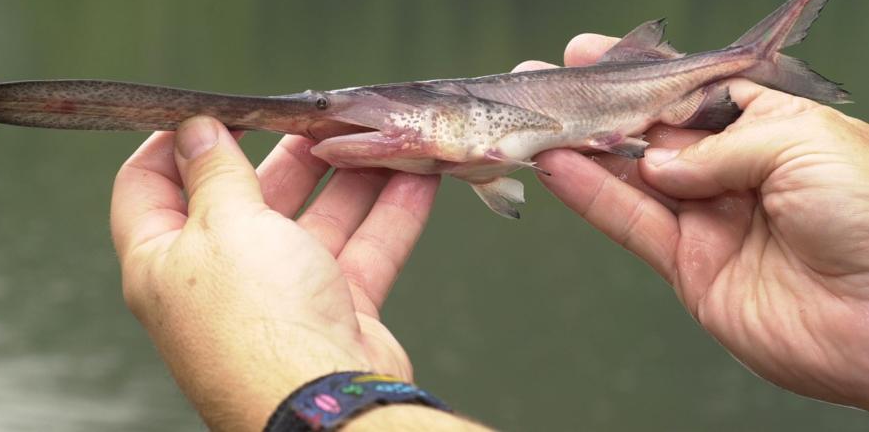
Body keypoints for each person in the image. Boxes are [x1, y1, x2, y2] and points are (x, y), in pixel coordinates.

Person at [110, 33, 869, 431]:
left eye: (353, 106)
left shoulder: (489, 121)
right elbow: (494, 172)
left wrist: (279, 382)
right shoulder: (461, 146)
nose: (338, 123)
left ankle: (756, 57)